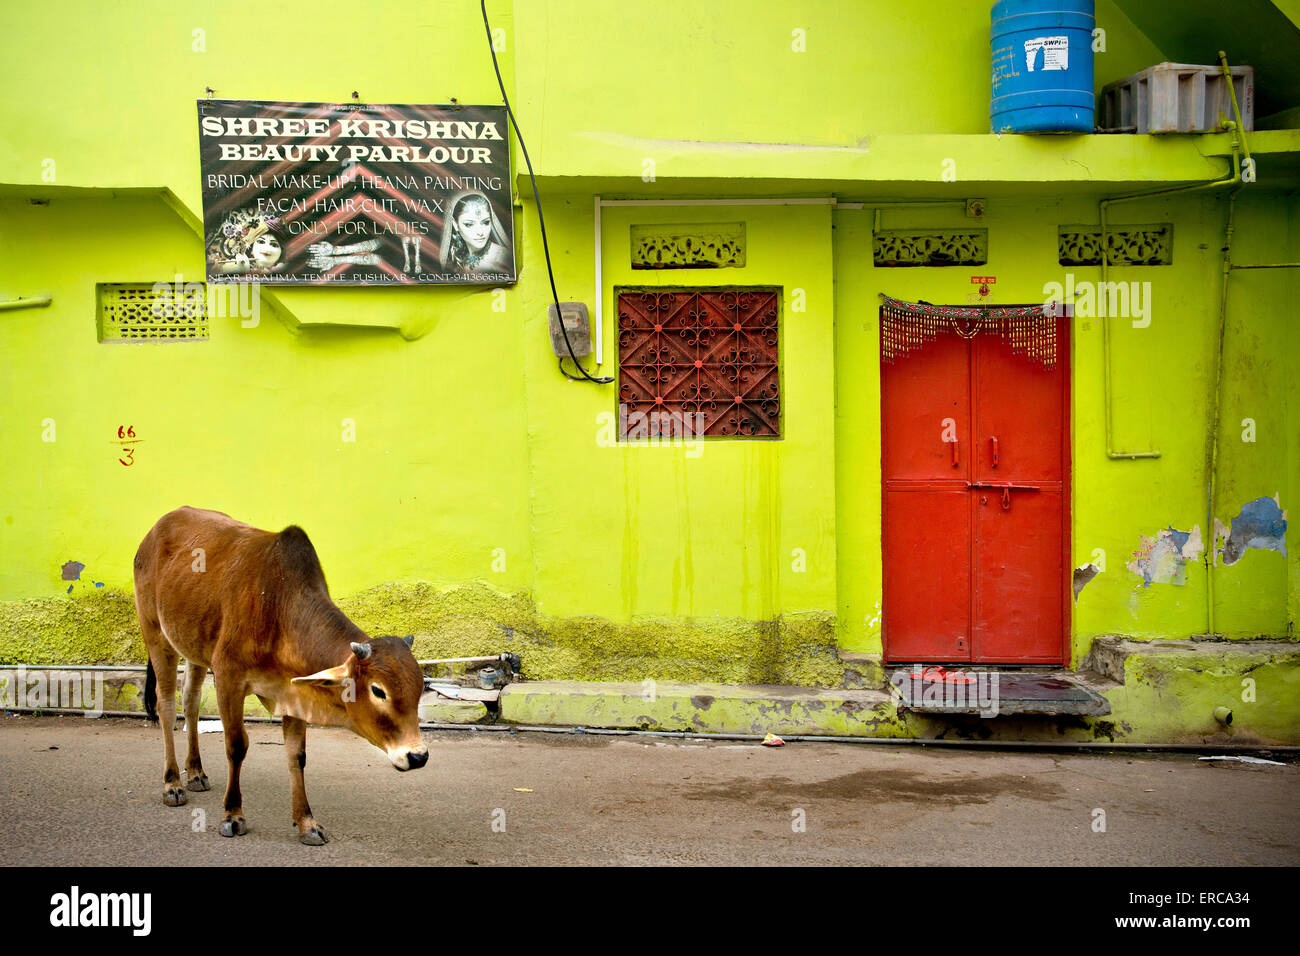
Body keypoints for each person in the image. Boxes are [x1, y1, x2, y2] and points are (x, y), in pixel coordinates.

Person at [438, 191, 511, 275]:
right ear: (455, 224)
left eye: (486, 222)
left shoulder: (503, 259)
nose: (480, 232)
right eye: (469, 224)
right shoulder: (458, 257)